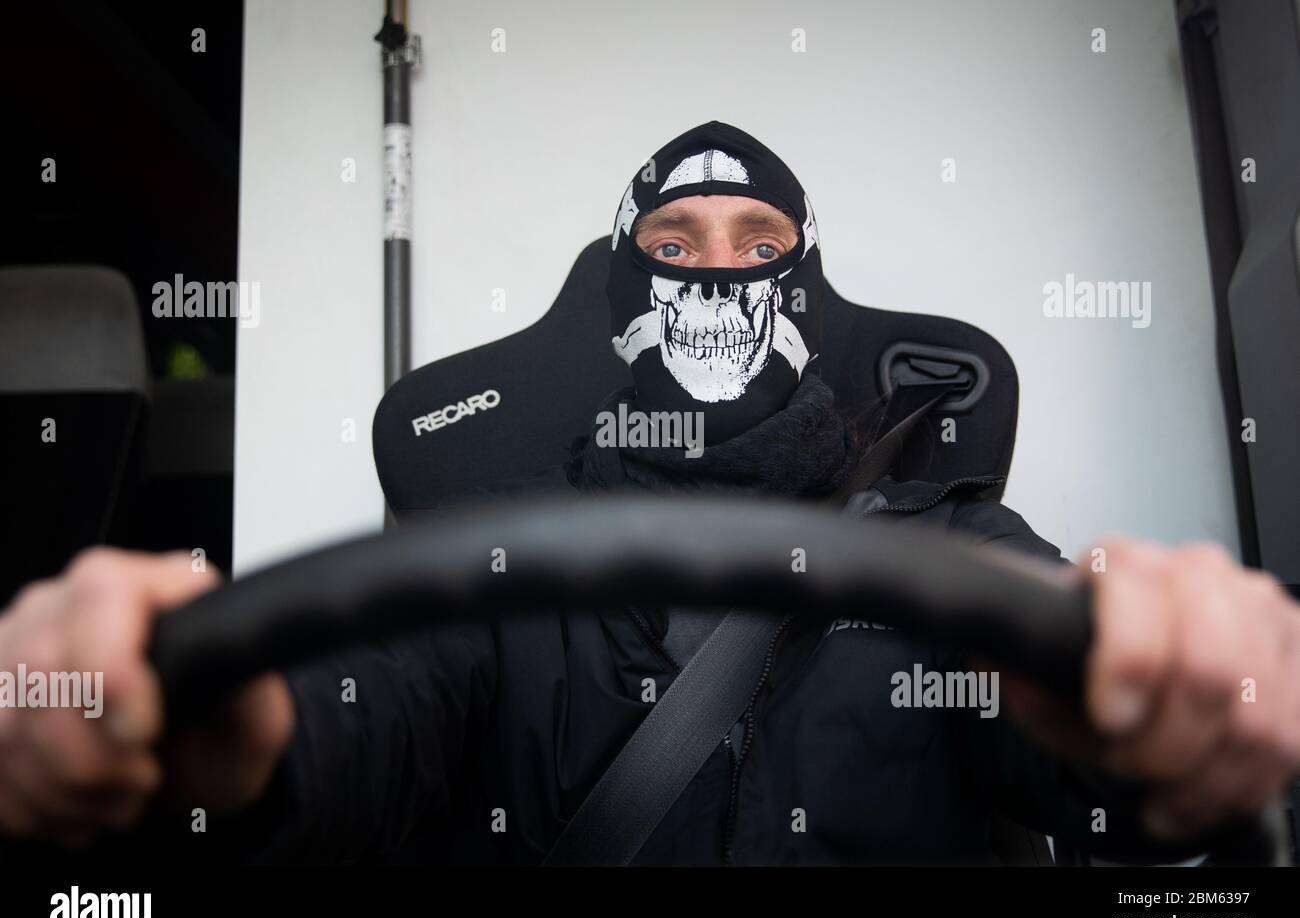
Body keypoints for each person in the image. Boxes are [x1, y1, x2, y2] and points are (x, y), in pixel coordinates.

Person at [1, 122, 1298, 864]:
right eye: (673, 252)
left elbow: (1049, 692)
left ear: (808, 293)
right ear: (623, 298)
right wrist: (230, 726)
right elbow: (370, 710)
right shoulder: (496, 561)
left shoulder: (947, 535)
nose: (718, 284)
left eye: (760, 250)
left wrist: (1144, 688)